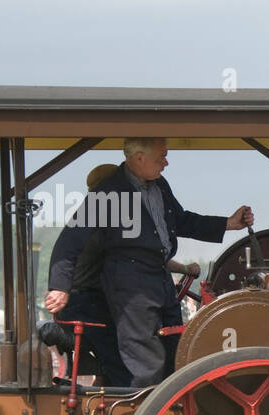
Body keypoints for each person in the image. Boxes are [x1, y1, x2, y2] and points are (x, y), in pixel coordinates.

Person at [45, 138, 253, 386]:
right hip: (130, 286)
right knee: (144, 360)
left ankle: (173, 411)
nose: (166, 163)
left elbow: (181, 220)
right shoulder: (108, 192)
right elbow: (70, 239)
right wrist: (59, 286)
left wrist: (228, 224)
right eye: (161, 157)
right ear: (139, 158)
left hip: (160, 280)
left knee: (176, 349)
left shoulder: (159, 185)